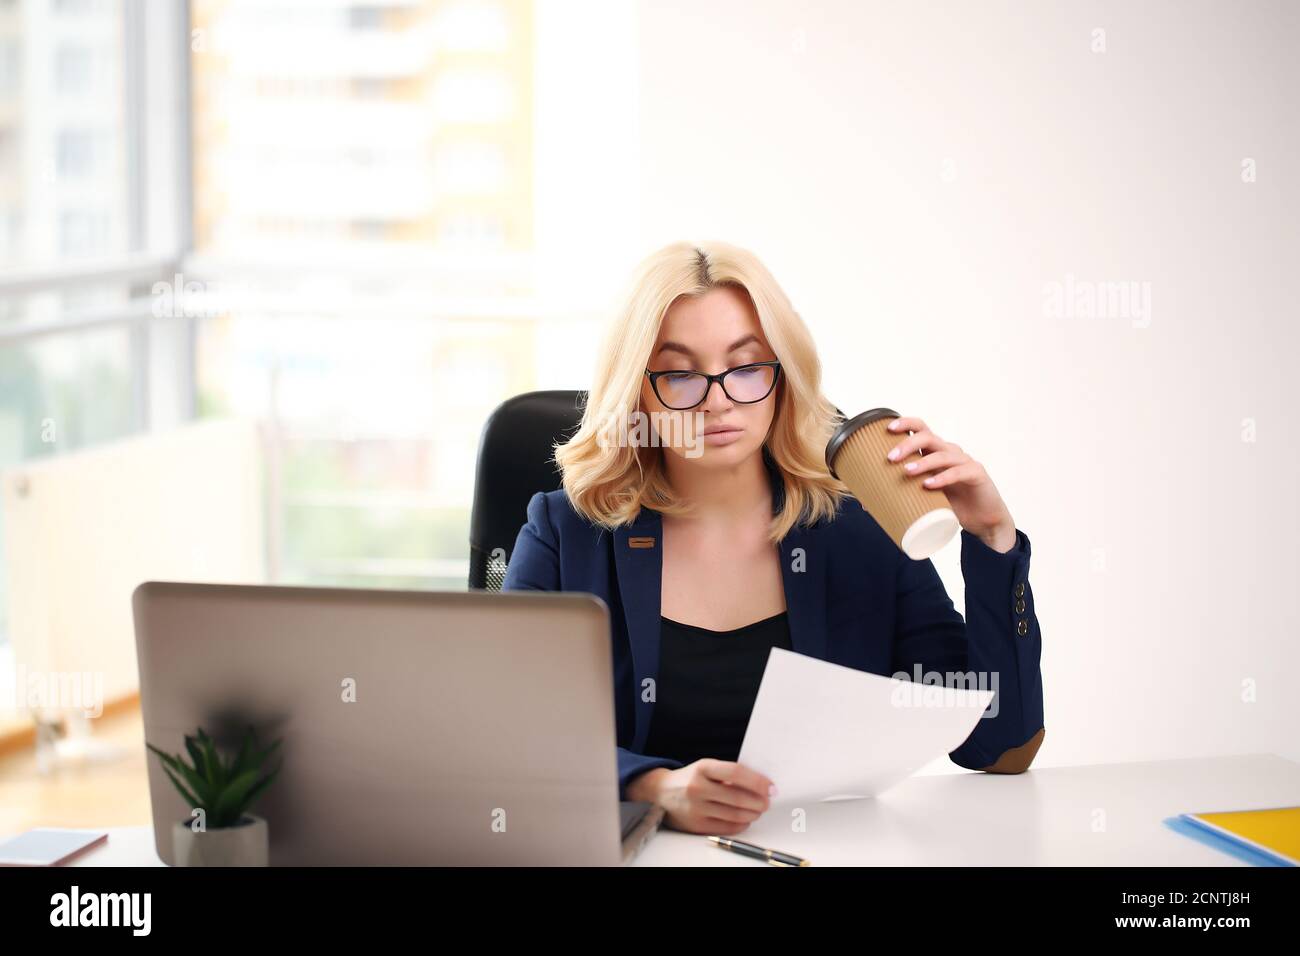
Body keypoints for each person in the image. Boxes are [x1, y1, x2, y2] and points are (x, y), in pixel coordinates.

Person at [502, 240, 1044, 835]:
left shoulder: (859, 531)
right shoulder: (566, 532)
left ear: (783, 377)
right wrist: (654, 786)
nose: (717, 401)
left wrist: (992, 539)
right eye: (680, 374)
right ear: (637, 391)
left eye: (747, 367)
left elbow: (998, 746)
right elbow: (513, 733)